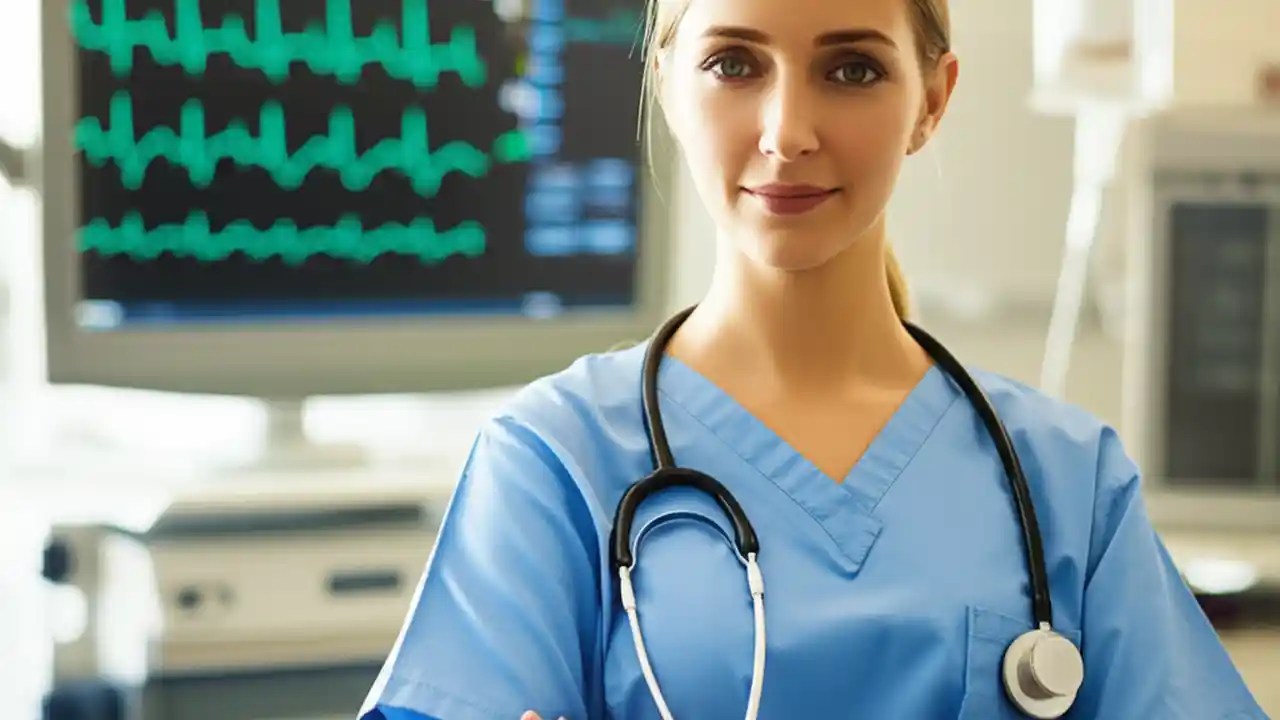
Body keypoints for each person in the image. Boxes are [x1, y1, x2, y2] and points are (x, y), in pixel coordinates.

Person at [357, 0, 1269, 716]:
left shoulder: (1067, 482)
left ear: (934, 99)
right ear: (669, 81)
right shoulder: (555, 461)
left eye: (852, 68)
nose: (788, 130)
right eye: (733, 63)